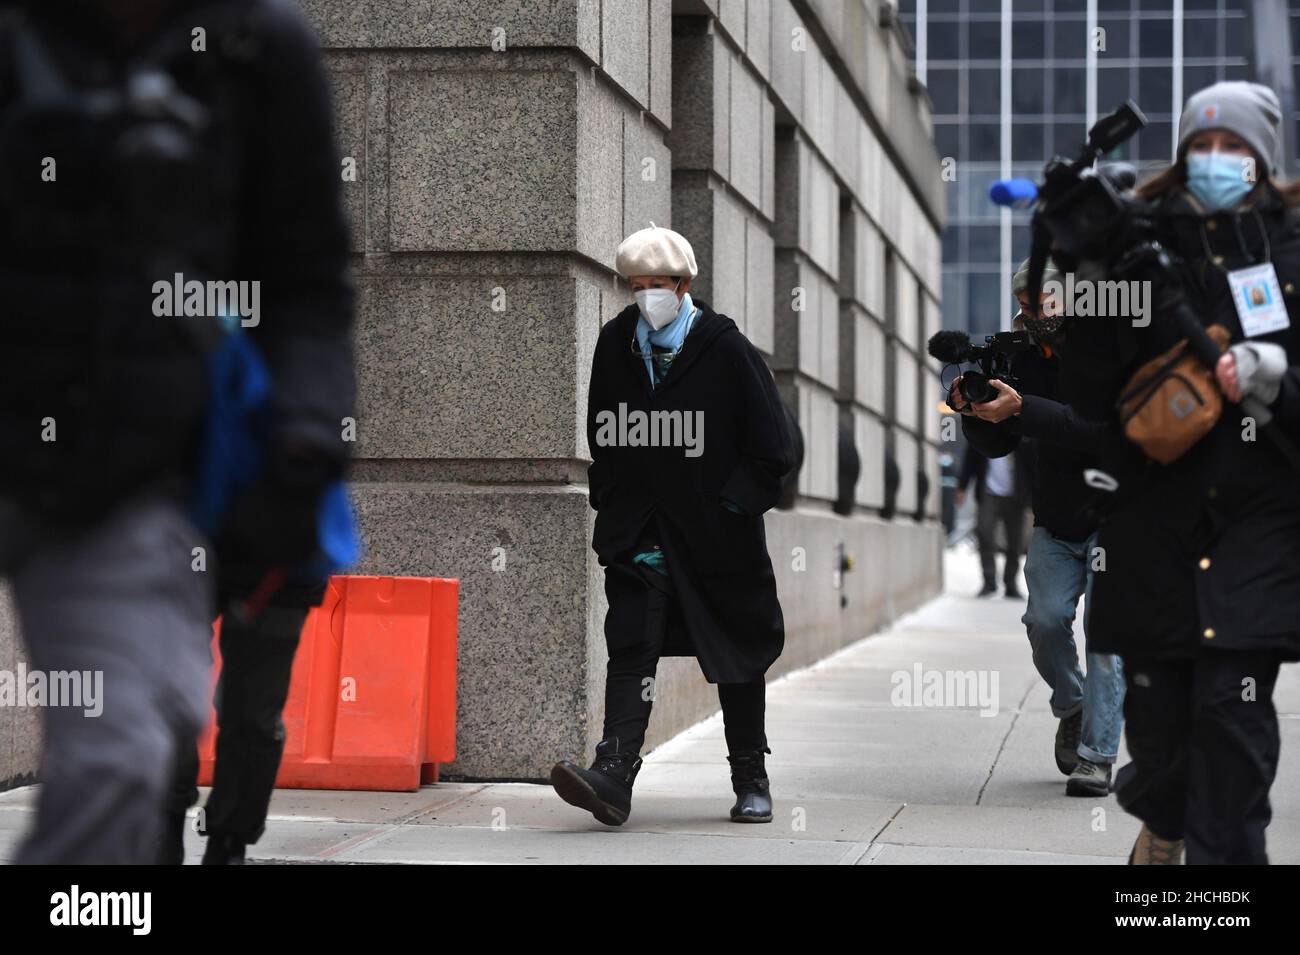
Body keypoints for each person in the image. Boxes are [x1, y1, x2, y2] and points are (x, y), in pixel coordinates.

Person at [0, 0, 355, 863]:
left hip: (122, 478)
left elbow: (308, 282)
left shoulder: (256, 52)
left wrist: (302, 442)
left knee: (135, 747)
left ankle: (217, 841)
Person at [1067, 81, 1300, 864]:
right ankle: (1163, 821)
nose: (1217, 160)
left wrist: (1276, 370)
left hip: (1260, 518)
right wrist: (1092, 273)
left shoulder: (1290, 248)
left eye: (1235, 147)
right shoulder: (1140, 241)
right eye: (1202, 145)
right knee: (1162, 733)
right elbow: (1090, 391)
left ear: (1263, 159)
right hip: (1152, 518)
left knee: (1231, 720)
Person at [550, 224, 796, 826]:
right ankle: (614, 772)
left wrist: (730, 508)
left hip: (717, 540)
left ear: (684, 285)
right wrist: (610, 502)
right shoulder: (616, 344)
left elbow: (774, 448)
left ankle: (750, 776)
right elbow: (603, 433)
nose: (645, 296)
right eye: (635, 286)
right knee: (631, 643)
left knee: (736, 651)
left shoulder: (726, 348)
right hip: (639, 534)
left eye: (656, 285)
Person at [950, 259, 1125, 798]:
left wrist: (1027, 409)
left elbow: (1108, 432)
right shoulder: (1020, 351)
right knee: (1044, 622)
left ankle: (1097, 756)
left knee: (1106, 637)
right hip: (1056, 515)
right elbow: (1004, 441)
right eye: (1024, 305)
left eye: (1042, 303)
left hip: (1118, 515)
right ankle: (1072, 705)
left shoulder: (1112, 346)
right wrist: (974, 416)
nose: (1032, 315)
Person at [956, 439, 1031, 598]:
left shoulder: (1022, 433)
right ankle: (989, 581)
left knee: (1015, 541)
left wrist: (1034, 496)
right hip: (988, 493)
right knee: (984, 533)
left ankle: (1010, 583)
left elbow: (1032, 464)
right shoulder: (984, 430)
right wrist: (962, 486)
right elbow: (970, 459)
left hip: (1016, 495)